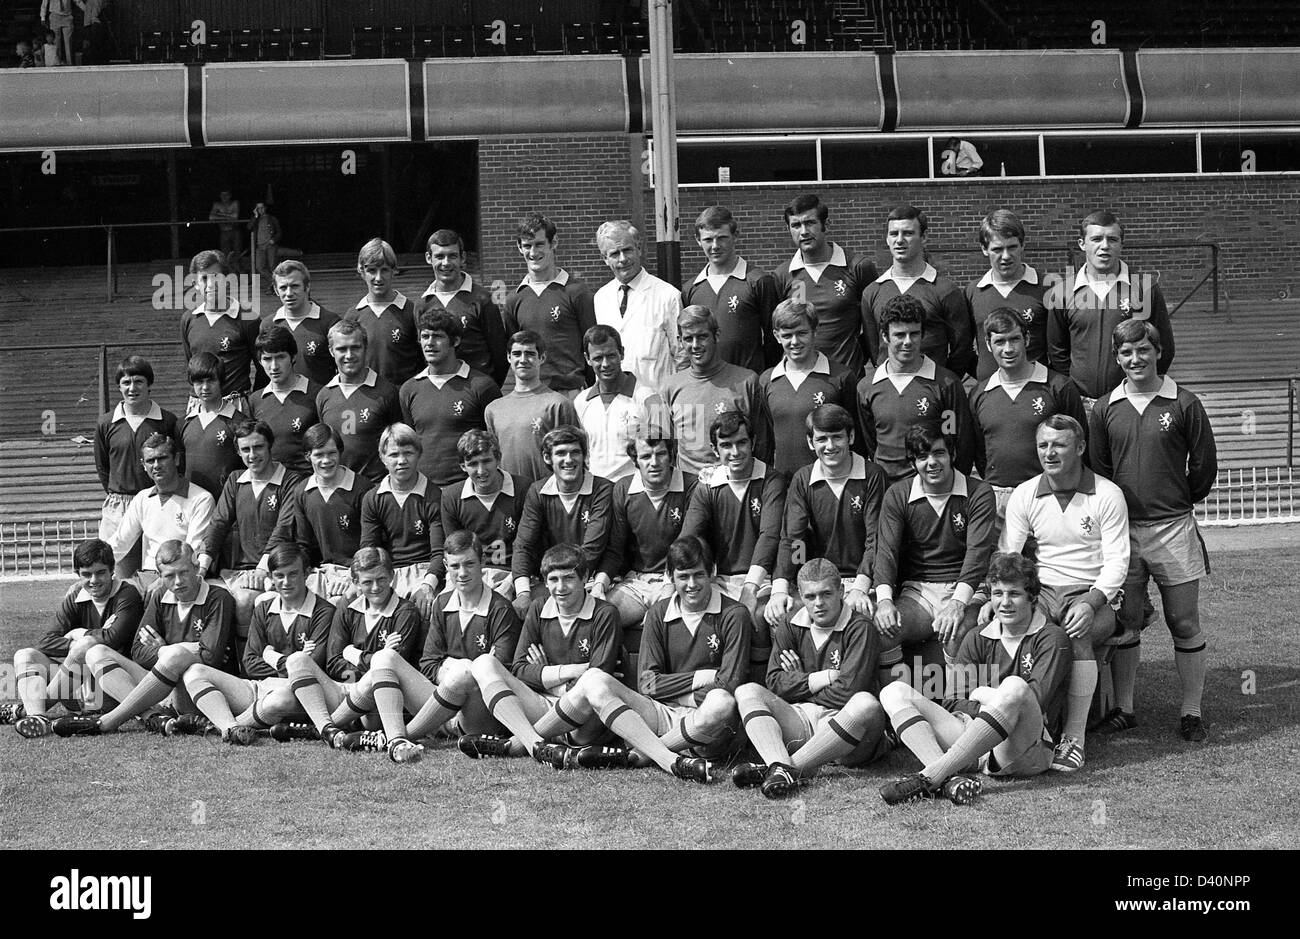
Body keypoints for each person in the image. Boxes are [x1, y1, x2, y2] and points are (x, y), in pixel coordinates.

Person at [524, 536, 747, 781]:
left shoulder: (734, 614)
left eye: (698, 575)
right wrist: (702, 678)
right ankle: (662, 754)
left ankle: (640, 754)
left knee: (721, 701)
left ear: (713, 572)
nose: (691, 584)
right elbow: (648, 684)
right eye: (683, 576)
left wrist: (672, 689)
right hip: (662, 713)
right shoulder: (658, 612)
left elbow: (728, 684)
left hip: (706, 723)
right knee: (595, 679)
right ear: (669, 576)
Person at [1090, 319, 1218, 742]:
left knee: (1183, 620)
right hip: (1123, 531)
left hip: (1173, 529)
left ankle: (1191, 711)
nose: (1135, 359)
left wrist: (1176, 500)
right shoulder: (1106, 406)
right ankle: (1125, 708)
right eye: (1126, 353)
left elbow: (1203, 467)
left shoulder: (1183, 403)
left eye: (1143, 350)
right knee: (1126, 621)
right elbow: (1101, 468)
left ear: (1158, 351)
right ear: (1117, 358)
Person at [879, 552, 1073, 805]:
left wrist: (982, 693)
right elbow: (952, 702)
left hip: (1024, 747)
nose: (1005, 603)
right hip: (973, 739)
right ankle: (951, 781)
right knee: (894, 691)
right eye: (997, 594)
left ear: (1032, 599)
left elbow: (1036, 699)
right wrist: (989, 707)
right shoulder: (978, 635)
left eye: (1014, 594)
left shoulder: (1052, 638)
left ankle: (931, 777)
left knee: (1014, 687)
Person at [1000, 415, 1129, 773]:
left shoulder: (1107, 493)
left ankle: (1073, 738)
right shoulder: (1025, 493)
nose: (1049, 452)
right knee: (1022, 631)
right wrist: (1000, 600)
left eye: (1059, 445)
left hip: (1092, 590)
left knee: (1077, 633)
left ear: (1081, 447)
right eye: (1043, 445)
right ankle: (1027, 723)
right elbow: (1011, 557)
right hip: (1043, 590)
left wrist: (1092, 601)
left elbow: (1118, 561)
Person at [324, 532, 520, 762]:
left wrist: (454, 666)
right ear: (446, 565)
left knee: (467, 671)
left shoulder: (501, 609)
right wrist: (458, 667)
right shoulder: (442, 603)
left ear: (482, 563)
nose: (463, 573)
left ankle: (384, 736)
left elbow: (500, 671)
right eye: (455, 566)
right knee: (385, 657)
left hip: (476, 716)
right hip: (439, 705)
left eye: (469, 564)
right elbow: (427, 665)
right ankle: (389, 739)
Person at [732, 557, 889, 798]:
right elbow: (774, 682)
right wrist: (821, 677)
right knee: (747, 691)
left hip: (848, 731)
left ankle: (784, 768)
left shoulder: (860, 628)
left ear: (841, 592)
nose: (819, 604)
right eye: (810, 597)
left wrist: (796, 680)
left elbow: (847, 693)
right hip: (803, 720)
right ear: (800, 597)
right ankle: (781, 767)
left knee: (866, 703)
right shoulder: (790, 623)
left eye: (826, 594)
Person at [458, 543, 623, 763]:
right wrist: (570, 671)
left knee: (592, 684)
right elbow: (518, 670)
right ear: (545, 582)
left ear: (585, 579)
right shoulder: (538, 607)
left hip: (581, 719)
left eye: (569, 578)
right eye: (554, 580)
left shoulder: (605, 613)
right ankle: (536, 744)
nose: (561, 587)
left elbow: (596, 678)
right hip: (543, 706)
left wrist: (544, 673)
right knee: (483, 663)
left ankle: (515, 745)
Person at [52, 541, 236, 738]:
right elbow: (138, 652)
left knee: (175, 655)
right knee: (96, 652)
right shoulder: (160, 596)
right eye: (169, 576)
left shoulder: (218, 598)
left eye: (184, 572)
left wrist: (166, 649)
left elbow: (211, 656)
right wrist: (176, 651)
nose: (178, 581)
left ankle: (108, 721)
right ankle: (152, 716)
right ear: (159, 576)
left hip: (195, 691)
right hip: (159, 689)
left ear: (196, 568)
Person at [872, 427, 996, 687]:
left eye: (939, 453)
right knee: (885, 630)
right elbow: (886, 552)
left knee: (958, 632)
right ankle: (895, 714)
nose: (931, 462)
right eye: (922, 456)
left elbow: (978, 553)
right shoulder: (898, 494)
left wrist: (958, 604)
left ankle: (957, 711)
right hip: (919, 591)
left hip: (967, 589)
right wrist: (884, 601)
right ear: (913, 462)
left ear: (951, 454)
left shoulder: (979, 492)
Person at [283, 547, 426, 760]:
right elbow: (332, 662)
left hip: (378, 702)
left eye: (381, 579)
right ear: (356, 583)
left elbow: (391, 666)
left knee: (382, 664)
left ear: (392, 577)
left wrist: (354, 654)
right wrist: (366, 658)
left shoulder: (405, 612)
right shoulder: (347, 609)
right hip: (343, 693)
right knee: (297, 660)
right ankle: (329, 730)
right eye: (367, 582)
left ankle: (319, 729)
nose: (376, 587)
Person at [179, 544, 329, 744]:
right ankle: (231, 728)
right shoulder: (264, 607)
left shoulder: (324, 612)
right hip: (257, 687)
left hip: (295, 693)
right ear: (271, 578)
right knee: (195, 671)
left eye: (293, 574)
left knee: (280, 699)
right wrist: (288, 662)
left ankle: (218, 727)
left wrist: (269, 655)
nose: (286, 582)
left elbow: (310, 669)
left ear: (307, 574)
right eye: (279, 575)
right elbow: (249, 663)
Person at [681, 410, 785, 681]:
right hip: (721, 579)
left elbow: (770, 536)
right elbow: (689, 537)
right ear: (715, 450)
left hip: (763, 580)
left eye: (741, 443)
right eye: (726, 445)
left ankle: (761, 691)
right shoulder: (707, 485)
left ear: (753, 442)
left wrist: (750, 588)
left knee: (759, 617)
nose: (735, 452)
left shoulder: (772, 480)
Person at [2, 540, 143, 739]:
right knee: (25, 655)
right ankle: (37, 716)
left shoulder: (127, 594)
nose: (94, 580)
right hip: (76, 684)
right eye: (86, 574)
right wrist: (79, 645)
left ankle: (25, 711)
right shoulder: (77, 594)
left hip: (112, 688)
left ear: (112, 570)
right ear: (78, 574)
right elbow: (46, 641)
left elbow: (112, 638)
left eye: (100, 572)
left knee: (87, 646)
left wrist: (79, 633)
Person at [767, 404, 885, 631]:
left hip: (863, 582)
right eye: (822, 439)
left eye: (837, 437)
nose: (830, 446)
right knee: (780, 619)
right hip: (819, 582)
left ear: (851, 437)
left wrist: (861, 587)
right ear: (811, 443)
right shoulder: (803, 479)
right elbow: (794, 540)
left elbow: (876, 539)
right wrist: (780, 589)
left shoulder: (872, 476)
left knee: (866, 623)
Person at [969, 308, 1088, 527]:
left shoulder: (1058, 386)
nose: (1008, 349)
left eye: (1014, 339)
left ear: (1027, 339)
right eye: (1000, 342)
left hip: (1050, 494)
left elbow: (1080, 444)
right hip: (998, 500)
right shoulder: (979, 394)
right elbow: (979, 451)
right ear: (987, 345)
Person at [1048, 210, 1175, 407]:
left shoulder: (1144, 288)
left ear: (1121, 244)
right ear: (1082, 244)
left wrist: (1143, 387)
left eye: (1112, 239)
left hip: (1131, 401)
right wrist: (1073, 390)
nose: (1104, 246)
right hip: (1081, 403)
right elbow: (1057, 351)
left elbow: (1164, 346)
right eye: (1096, 239)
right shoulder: (1062, 292)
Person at [197, 418, 300, 655]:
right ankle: (223, 661)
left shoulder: (291, 480)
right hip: (239, 571)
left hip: (275, 569)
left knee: (244, 601)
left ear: (270, 446)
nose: (252, 455)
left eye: (258, 447)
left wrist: (264, 568)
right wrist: (202, 567)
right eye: (245, 449)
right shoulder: (235, 480)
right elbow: (219, 522)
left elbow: (283, 529)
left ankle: (249, 667)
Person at [595, 437, 696, 674]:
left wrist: (671, 583)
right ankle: (605, 674)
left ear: (671, 456)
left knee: (661, 620)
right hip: (637, 581)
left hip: (675, 577)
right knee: (600, 613)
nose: (654, 462)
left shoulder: (691, 485)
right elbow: (615, 549)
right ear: (635, 461)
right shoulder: (623, 488)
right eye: (645, 456)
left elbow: (689, 545)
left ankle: (659, 683)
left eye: (661, 454)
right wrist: (600, 584)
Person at [855, 295, 975, 484]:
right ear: (885, 336)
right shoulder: (866, 387)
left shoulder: (946, 384)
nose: (908, 341)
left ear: (923, 334)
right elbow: (870, 442)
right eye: (899, 335)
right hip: (887, 491)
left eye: (914, 333)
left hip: (933, 490)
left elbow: (956, 440)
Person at [510, 426, 615, 616]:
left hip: (590, 580)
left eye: (575, 452)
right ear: (547, 458)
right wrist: (523, 593)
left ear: (584, 456)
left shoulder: (603, 489)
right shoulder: (537, 491)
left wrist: (568, 585)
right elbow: (523, 545)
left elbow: (592, 548)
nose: (569, 459)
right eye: (561, 453)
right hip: (551, 581)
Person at [861, 204, 976, 376]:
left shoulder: (946, 290)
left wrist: (943, 383)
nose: (899, 240)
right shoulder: (872, 292)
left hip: (934, 392)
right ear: (887, 239)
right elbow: (874, 350)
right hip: (889, 392)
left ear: (923, 237)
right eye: (893, 234)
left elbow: (962, 348)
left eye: (908, 233)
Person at [94, 355, 181, 577]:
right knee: (119, 572)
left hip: (157, 502)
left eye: (139, 381)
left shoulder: (167, 421)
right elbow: (103, 467)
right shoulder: (106, 423)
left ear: (149, 384)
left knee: (158, 570)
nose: (132, 388)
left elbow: (176, 463)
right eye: (126, 382)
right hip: (120, 505)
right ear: (119, 387)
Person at [265, 423, 374, 598]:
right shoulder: (302, 491)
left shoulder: (362, 488)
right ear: (308, 456)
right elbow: (303, 545)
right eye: (319, 455)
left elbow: (370, 544)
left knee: (338, 603)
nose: (326, 460)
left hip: (357, 572)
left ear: (340, 452)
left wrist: (351, 575)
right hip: (321, 573)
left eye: (331, 453)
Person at [772, 194, 877, 374]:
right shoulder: (782, 275)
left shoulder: (858, 267)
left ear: (826, 225)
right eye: (796, 225)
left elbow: (873, 327)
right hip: (802, 379)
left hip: (847, 378)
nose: (803, 231)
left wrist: (858, 360)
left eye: (810, 223)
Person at [660, 305, 771, 475]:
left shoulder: (747, 382)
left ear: (716, 335)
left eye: (702, 336)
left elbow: (762, 443)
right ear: (680, 340)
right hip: (691, 489)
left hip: (736, 483)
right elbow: (664, 448)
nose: (696, 345)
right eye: (689, 339)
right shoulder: (669, 387)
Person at [398, 309, 502, 487]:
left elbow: (496, 441)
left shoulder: (482, 386)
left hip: (470, 489)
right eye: (425, 336)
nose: (430, 343)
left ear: (455, 340)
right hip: (425, 490)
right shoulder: (409, 389)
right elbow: (409, 445)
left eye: (437, 336)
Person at [759, 298, 859, 478]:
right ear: (776, 336)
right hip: (785, 484)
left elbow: (855, 438)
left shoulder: (841, 376)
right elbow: (766, 441)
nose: (795, 341)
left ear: (815, 331)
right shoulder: (767, 380)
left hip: (832, 482)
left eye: (802, 333)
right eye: (787, 335)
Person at [501, 214, 597, 397]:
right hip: (530, 394)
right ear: (519, 247)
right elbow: (513, 350)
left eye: (539, 244)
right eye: (527, 246)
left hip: (570, 392)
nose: (533, 252)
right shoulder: (514, 299)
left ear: (553, 243)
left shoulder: (577, 292)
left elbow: (591, 345)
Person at [106, 433, 215, 594]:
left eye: (162, 458)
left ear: (176, 459)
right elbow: (120, 542)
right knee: (112, 596)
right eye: (150, 461)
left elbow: (192, 550)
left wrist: (164, 581)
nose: (156, 465)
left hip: (179, 575)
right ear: (143, 465)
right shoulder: (142, 498)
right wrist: (94, 569)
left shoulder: (201, 499)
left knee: (153, 596)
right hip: (147, 576)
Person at [359, 422, 444, 617]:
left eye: (408, 453)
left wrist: (428, 585)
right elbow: (369, 550)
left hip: (425, 571)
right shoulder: (373, 498)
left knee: (429, 610)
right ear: (382, 457)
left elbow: (439, 552)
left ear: (419, 454)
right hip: (388, 573)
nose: (401, 460)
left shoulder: (434, 496)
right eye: (394, 454)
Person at [681, 205, 779, 373]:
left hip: (748, 385)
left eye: (722, 238)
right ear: (698, 240)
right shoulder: (690, 289)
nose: (715, 246)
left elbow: (774, 339)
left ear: (735, 236)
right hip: (708, 386)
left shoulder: (759, 281)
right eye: (708, 240)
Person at [591, 220, 681, 392]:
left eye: (627, 250)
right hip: (617, 403)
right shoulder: (601, 298)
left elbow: (682, 357)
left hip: (658, 404)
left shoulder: (668, 295)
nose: (623, 259)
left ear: (639, 248)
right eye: (615, 254)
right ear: (605, 258)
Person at [440, 429, 529, 599]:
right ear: (463, 466)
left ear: (498, 459)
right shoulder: (452, 496)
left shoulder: (523, 489)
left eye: (486, 461)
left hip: (514, 574)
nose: (481, 471)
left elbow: (529, 545)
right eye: (473, 464)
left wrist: (511, 584)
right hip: (472, 573)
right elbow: (455, 550)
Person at [965, 210, 1053, 381]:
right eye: (997, 249)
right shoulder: (972, 291)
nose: (1006, 256)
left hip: (1037, 392)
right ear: (984, 249)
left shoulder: (1047, 287)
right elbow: (963, 347)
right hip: (989, 395)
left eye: (1012, 247)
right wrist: (984, 376)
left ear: (1023, 245)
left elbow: (1059, 348)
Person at [484, 330, 579, 488]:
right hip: (508, 496)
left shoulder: (558, 404)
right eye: (516, 354)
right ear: (509, 357)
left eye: (529, 354)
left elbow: (574, 454)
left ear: (542, 358)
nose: (523, 360)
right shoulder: (493, 410)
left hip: (548, 495)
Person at [573, 324, 664, 482]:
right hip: (595, 492)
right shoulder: (581, 401)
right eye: (598, 358)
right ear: (587, 359)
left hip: (633, 491)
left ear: (622, 353)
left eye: (611, 355)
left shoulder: (649, 398)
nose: (605, 364)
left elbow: (664, 452)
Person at [316, 317, 401, 484]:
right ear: (332, 351)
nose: (349, 355)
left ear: (365, 348)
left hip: (376, 487)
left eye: (355, 348)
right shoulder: (324, 396)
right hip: (338, 488)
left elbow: (398, 444)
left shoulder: (387, 392)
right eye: (342, 349)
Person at [419, 229, 507, 385]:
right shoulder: (422, 304)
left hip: (477, 393)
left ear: (463, 258)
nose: (446, 263)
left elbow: (500, 356)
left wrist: (486, 389)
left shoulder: (483, 299)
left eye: (452, 256)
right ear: (428, 258)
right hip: (439, 393)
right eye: (439, 256)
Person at [181, 250, 265, 406]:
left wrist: (251, 403)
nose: (211, 284)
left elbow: (263, 367)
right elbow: (190, 365)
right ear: (195, 284)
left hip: (235, 403)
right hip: (199, 404)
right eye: (204, 278)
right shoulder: (189, 319)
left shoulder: (248, 318)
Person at [249, 324, 322, 476]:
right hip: (271, 486)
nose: (274, 366)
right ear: (260, 362)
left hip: (306, 484)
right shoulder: (255, 400)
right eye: (267, 359)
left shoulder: (318, 394)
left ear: (293, 357)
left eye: (280, 357)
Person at [351, 237, 423, 387]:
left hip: (402, 399)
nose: (378, 278)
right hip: (368, 400)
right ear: (361, 271)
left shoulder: (412, 311)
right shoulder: (353, 316)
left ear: (394, 270)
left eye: (384, 270)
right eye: (371, 270)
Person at [180, 352, 244, 499]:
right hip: (192, 506)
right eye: (199, 382)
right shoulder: (182, 424)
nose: (205, 387)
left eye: (211, 380)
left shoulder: (239, 422)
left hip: (226, 505)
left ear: (221, 381)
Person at [269, 260, 340, 387]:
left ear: (307, 287)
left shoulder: (330, 323)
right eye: (283, 288)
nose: (289, 293)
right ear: (276, 290)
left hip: (318, 403)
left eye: (295, 286)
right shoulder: (268, 325)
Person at [208, 189, 242, 270]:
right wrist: (228, 216)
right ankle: (229, 272)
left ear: (230, 195)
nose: (224, 197)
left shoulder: (235, 203)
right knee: (225, 254)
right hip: (223, 231)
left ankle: (240, 271)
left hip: (235, 231)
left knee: (237, 253)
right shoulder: (217, 204)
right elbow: (211, 217)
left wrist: (219, 214)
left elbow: (235, 216)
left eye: (226, 195)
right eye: (222, 195)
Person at [248, 202, 282, 278]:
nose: (261, 210)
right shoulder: (256, 219)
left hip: (270, 245)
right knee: (259, 267)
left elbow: (279, 232)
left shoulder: (272, 218)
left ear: (265, 208)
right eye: (258, 208)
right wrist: (255, 216)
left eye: (262, 207)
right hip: (259, 247)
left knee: (272, 267)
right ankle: (274, 282)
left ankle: (275, 285)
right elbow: (249, 227)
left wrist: (274, 239)